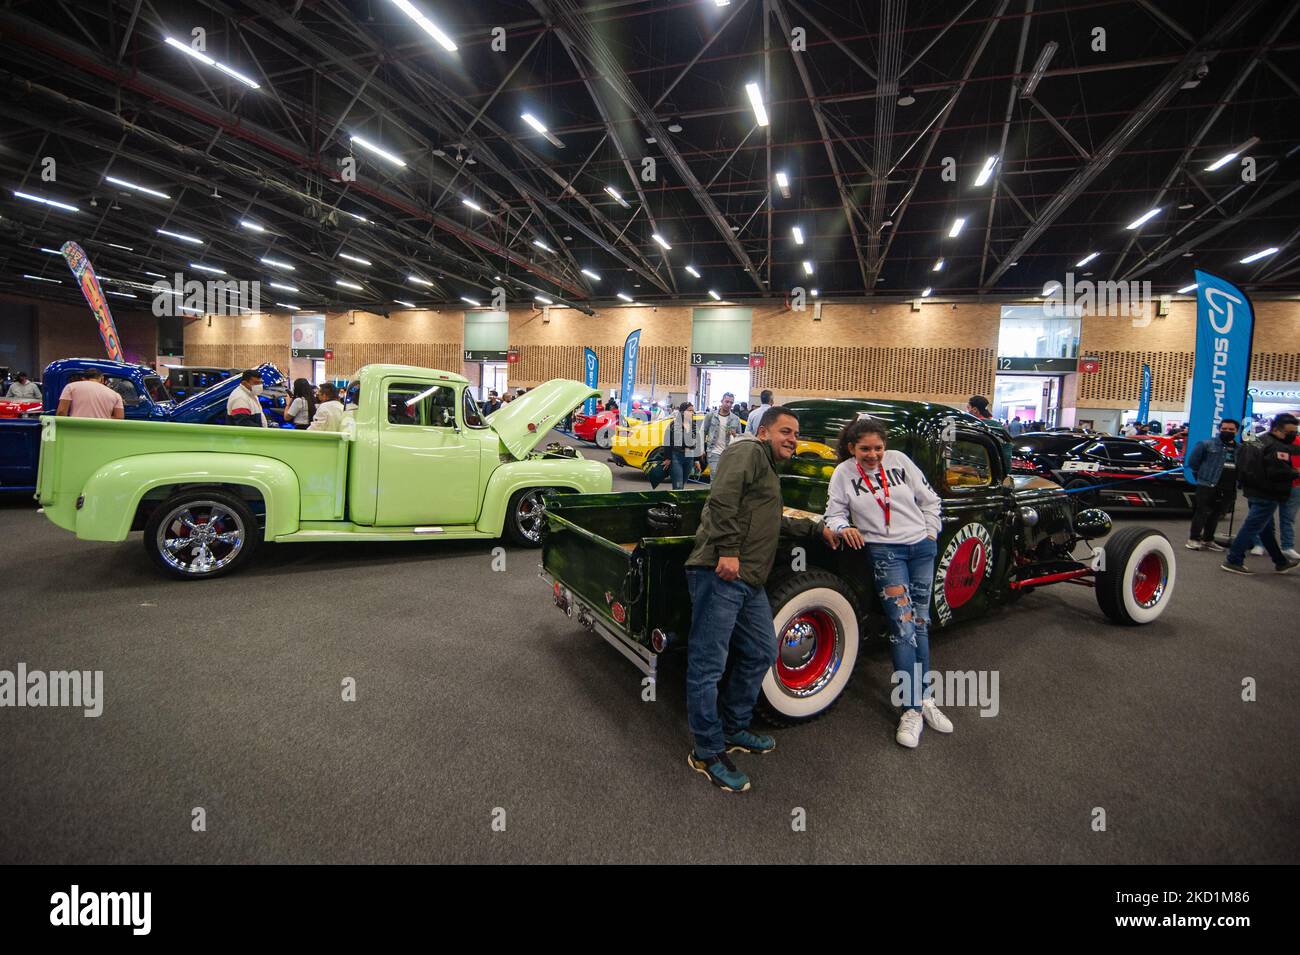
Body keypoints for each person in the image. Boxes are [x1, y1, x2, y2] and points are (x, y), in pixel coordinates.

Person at [684, 406, 836, 792]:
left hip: (748, 581)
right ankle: (706, 749)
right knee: (707, 665)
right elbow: (720, 500)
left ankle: (734, 727)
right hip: (721, 574)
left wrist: (817, 530)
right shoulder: (747, 451)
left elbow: (772, 519)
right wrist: (729, 551)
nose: (793, 439)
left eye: (796, 433)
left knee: (761, 652)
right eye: (785, 431)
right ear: (764, 431)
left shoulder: (767, 466)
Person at [824, 416, 951, 748]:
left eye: (878, 448)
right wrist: (842, 528)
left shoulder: (899, 461)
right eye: (865, 448)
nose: (873, 455)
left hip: (921, 549)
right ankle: (910, 708)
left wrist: (929, 532)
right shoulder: (843, 474)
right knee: (903, 626)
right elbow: (834, 513)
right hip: (885, 553)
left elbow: (930, 500)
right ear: (852, 447)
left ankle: (924, 699)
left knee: (920, 623)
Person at [1222, 413, 1300, 575]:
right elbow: (1278, 472)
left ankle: (1280, 561)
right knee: (1252, 527)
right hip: (1268, 493)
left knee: (1264, 528)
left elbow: (1243, 463)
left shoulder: (1257, 441)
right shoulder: (1277, 447)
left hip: (1253, 490)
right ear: (1277, 430)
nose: (1293, 435)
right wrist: (1295, 472)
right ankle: (1234, 559)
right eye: (1290, 432)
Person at [1185, 418, 1239, 552]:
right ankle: (1194, 539)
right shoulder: (1206, 444)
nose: (1227, 431)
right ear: (1219, 429)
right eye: (1224, 429)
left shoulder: (1240, 448)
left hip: (1228, 487)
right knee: (1201, 512)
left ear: (1237, 431)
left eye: (1231, 429)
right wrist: (1202, 476)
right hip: (1207, 484)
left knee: (1217, 514)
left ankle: (1208, 539)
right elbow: (1193, 462)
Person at [701, 391, 742, 477]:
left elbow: (740, 438)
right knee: (715, 476)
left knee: (726, 478)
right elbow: (702, 432)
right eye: (727, 401)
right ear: (721, 401)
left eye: (731, 402)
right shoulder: (710, 416)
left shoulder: (735, 419)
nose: (729, 404)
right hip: (713, 452)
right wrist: (701, 449)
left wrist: (735, 435)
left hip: (729, 452)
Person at [55, 367, 124, 419]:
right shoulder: (115, 395)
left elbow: (61, 412)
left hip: (77, 430)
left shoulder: (70, 387)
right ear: (102, 379)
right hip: (102, 432)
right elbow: (119, 417)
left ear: (83, 378)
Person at [663, 401, 701, 490]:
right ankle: (676, 503)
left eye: (693, 411)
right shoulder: (674, 425)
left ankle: (677, 501)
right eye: (690, 410)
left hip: (690, 457)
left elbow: (697, 443)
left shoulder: (694, 426)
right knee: (678, 485)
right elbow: (667, 441)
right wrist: (668, 458)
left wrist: (696, 461)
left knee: (683, 484)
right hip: (677, 456)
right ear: (683, 412)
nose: (692, 413)